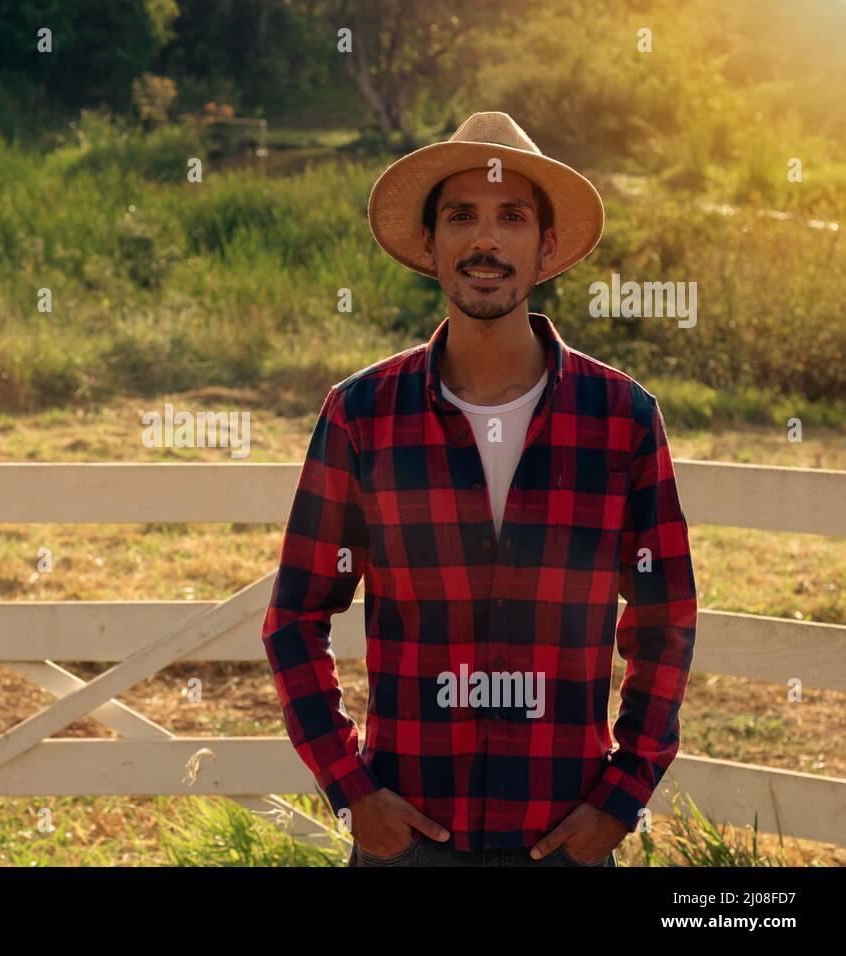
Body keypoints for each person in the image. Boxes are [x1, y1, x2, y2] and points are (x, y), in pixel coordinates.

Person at [261, 112, 697, 867]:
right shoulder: (363, 415)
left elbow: (665, 621)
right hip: (407, 831)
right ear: (430, 246)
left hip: (564, 835)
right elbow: (295, 617)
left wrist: (620, 801)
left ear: (546, 247)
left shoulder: (621, 418)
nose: (485, 240)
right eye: (461, 216)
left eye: (511, 218)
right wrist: (352, 788)